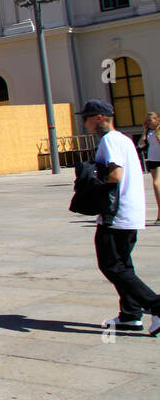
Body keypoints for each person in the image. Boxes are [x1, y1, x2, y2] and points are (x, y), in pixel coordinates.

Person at [77, 101, 160, 335]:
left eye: (87, 118)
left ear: (100, 118)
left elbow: (114, 174)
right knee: (124, 265)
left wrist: (89, 178)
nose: (84, 122)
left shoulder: (110, 140)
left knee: (110, 265)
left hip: (117, 213)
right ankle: (130, 315)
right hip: (130, 211)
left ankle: (155, 305)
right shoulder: (124, 138)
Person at [142, 111, 160, 224]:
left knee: (156, 184)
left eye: (150, 120)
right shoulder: (148, 131)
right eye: (147, 120)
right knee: (156, 187)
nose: (148, 122)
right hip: (152, 159)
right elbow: (141, 144)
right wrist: (144, 131)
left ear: (157, 120)